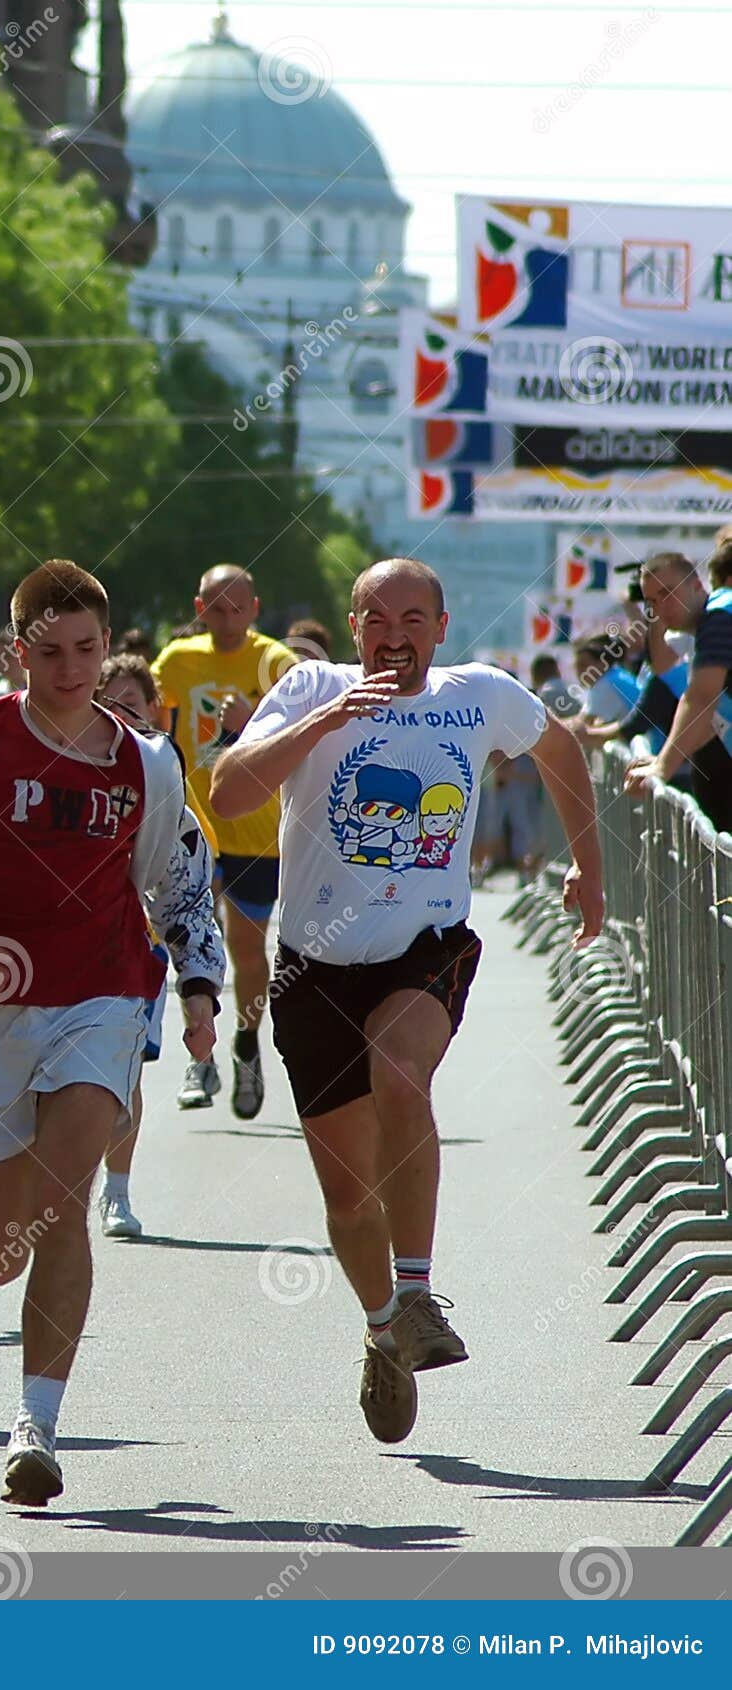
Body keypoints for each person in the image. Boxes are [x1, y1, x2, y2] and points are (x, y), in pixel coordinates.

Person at [211, 557, 604, 1444]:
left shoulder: (481, 696)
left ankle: (418, 1291)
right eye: (377, 619)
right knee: (351, 1204)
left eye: (413, 618)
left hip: (424, 950)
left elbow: (560, 750)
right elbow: (230, 791)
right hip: (314, 967)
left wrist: (590, 864)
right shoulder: (311, 686)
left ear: (440, 624)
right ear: (355, 628)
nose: (395, 635)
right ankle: (384, 1327)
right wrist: (323, 721)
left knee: (401, 1071)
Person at [0, 560, 224, 1506]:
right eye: (50, 651)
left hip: (101, 999)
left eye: (88, 650)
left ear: (109, 651)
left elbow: (182, 883)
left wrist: (198, 988)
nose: (71, 670)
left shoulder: (145, 763)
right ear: (17, 650)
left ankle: (36, 1425)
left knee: (65, 1202)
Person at [152, 565, 295, 1118]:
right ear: (199, 606)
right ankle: (200, 1056)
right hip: (193, 827)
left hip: (257, 829)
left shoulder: (276, 662)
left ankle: (246, 1041)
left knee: (244, 949)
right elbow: (150, 726)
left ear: (255, 608)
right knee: (188, 941)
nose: (227, 617)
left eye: (238, 607)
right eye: (216, 606)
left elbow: (308, 725)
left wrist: (255, 716)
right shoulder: (177, 661)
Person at [95, 654, 218, 1239]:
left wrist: (199, 994)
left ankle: (115, 1191)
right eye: (109, 704)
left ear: (155, 713)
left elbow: (189, 900)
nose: (122, 717)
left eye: (134, 706)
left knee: (124, 1075)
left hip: (131, 961)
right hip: (46, 963)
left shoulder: (169, 796)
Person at [624, 552, 732, 832]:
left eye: (668, 593)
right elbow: (713, 721)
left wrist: (662, 769)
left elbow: (700, 699)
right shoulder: (710, 625)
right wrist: (664, 758)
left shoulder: (720, 616)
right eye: (652, 602)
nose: (662, 607)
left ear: (697, 585)